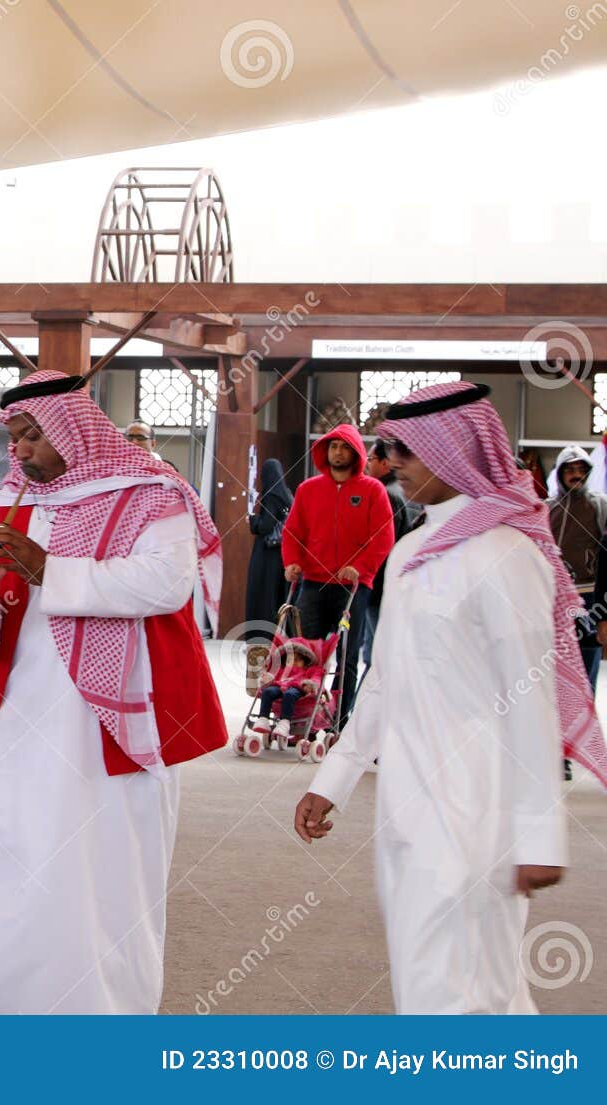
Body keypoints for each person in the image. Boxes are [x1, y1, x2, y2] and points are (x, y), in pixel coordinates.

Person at [0, 370, 225, 1014]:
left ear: (72, 428)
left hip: (110, 716)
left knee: (101, 864)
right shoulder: (15, 497)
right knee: (9, 844)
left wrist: (46, 568)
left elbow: (167, 584)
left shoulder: (150, 491)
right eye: (16, 437)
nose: (21, 450)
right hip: (24, 706)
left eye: (33, 435)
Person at [295, 381, 607, 1014]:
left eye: (405, 450)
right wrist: (335, 778)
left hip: (478, 809)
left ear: (455, 449)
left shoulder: (507, 555)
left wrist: (539, 835)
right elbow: (384, 678)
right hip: (406, 804)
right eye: (388, 448)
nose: (392, 463)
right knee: (459, 988)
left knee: (456, 992)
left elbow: (532, 701)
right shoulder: (411, 551)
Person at [280, 423, 394, 726]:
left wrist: (362, 568)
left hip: (353, 588)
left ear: (356, 453)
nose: (338, 452)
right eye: (333, 446)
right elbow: (292, 533)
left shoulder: (373, 490)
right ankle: (301, 719)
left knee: (347, 657)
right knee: (305, 654)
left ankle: (340, 722)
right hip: (312, 585)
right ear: (324, 451)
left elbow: (383, 537)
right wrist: (292, 562)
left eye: (344, 447)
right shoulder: (308, 490)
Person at [547, 444, 607, 692]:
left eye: (581, 469)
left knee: (587, 654)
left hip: (588, 594)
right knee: (554, 656)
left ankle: (586, 706)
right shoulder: (547, 508)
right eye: (570, 470)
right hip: (555, 594)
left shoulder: (600, 505)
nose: (576, 475)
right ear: (560, 473)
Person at [360, 439, 419, 667]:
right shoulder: (408, 492)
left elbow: (382, 545)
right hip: (396, 583)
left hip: (380, 585)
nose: (367, 464)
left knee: (375, 654)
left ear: (386, 463)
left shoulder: (386, 494)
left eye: (371, 459)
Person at [245, 457, 293, 640]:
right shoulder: (286, 494)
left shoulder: (271, 496)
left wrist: (253, 521)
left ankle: (262, 635)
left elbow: (266, 525)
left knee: (264, 596)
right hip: (281, 553)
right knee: (278, 595)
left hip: (268, 554)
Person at [253, 636, 324, 743]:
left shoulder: (310, 670)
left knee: (289, 695)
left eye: (297, 660)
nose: (293, 662)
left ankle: (284, 722)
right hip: (280, 686)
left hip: (298, 688)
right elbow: (274, 677)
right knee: (267, 691)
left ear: (306, 660)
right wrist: (268, 679)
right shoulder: (282, 670)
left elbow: (316, 678)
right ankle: (263, 718)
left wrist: (311, 684)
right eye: (290, 660)